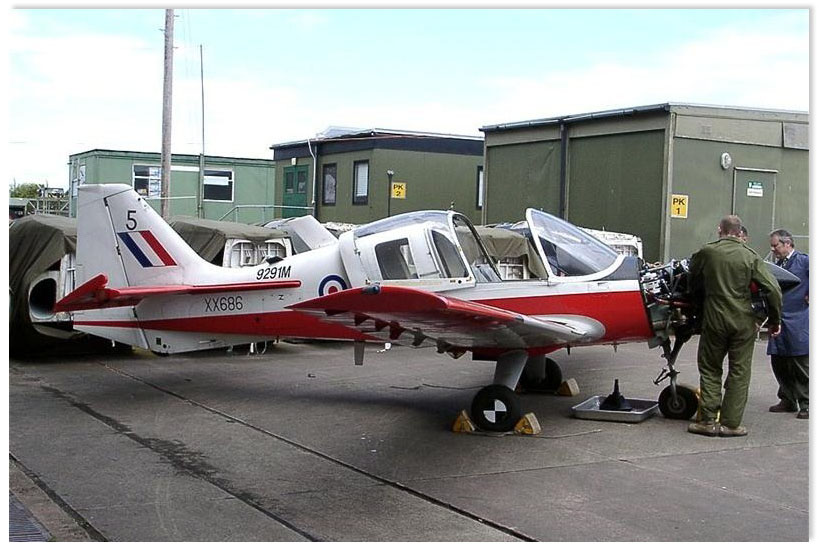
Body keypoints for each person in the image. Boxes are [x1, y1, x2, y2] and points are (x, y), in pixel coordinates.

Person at [687, 215, 782, 437]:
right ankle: (731, 424)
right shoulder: (751, 256)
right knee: (739, 371)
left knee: (710, 368)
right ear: (740, 233)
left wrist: (697, 307)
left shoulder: (707, 252)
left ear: (720, 229)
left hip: (714, 319)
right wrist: (774, 320)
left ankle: (708, 421)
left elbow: (693, 279)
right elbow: (773, 290)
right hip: (743, 321)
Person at [767, 229, 809, 419]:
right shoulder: (779, 265)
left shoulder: (803, 261)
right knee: (779, 360)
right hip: (780, 318)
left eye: (776, 245)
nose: (773, 249)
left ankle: (808, 403)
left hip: (797, 318)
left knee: (800, 362)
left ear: (787, 243)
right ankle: (788, 398)